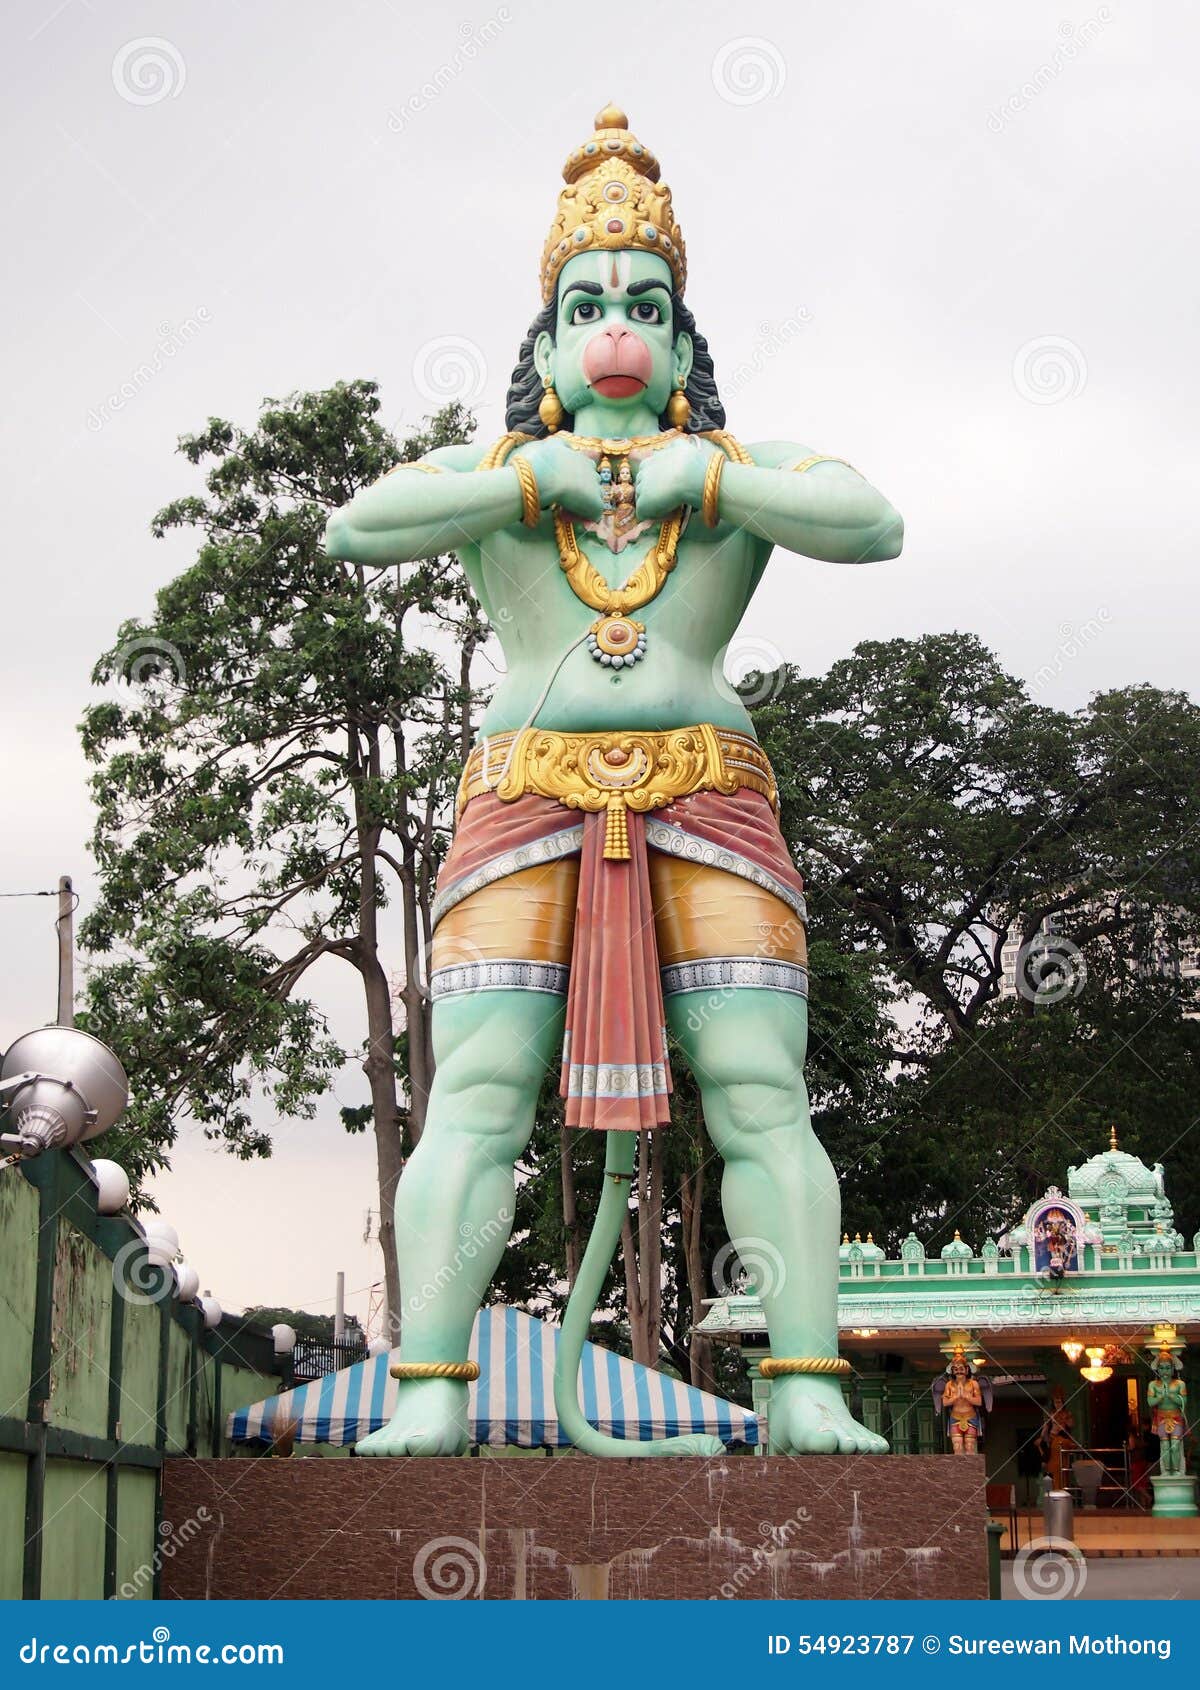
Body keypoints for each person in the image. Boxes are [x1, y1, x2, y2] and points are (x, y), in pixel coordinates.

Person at [326, 106, 902, 1458]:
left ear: (684, 343)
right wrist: (530, 484)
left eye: (646, 302)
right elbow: (358, 525)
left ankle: (804, 1381)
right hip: (525, 791)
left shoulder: (739, 473)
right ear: (547, 344)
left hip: (709, 793)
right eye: (586, 302)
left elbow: (873, 521)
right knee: (476, 1090)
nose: (617, 325)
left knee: (759, 1088)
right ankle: (428, 1389)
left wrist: (709, 475)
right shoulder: (499, 472)